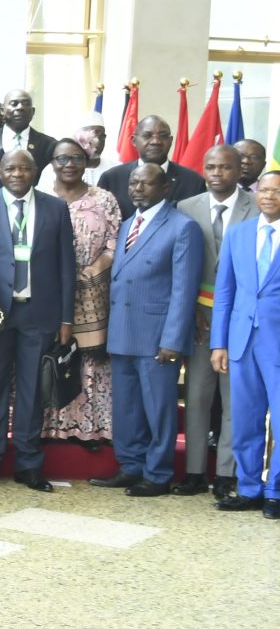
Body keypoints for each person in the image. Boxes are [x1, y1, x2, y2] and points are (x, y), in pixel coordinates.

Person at [87, 163, 201, 497]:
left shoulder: (183, 227)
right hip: (123, 334)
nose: (137, 188)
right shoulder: (126, 225)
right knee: (127, 408)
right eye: (134, 183)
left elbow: (184, 289)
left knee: (159, 410)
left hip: (157, 338)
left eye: (146, 184)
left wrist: (173, 339)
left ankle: (158, 473)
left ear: (165, 188)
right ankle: (130, 466)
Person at [0, 152, 76, 490]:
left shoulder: (55, 208)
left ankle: (29, 464)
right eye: (10, 168)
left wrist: (65, 318)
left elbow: (66, 266)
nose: (17, 173)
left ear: (36, 171)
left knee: (32, 391)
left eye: (25, 167)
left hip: (38, 314)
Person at [175, 145, 251, 492]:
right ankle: (193, 472)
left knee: (233, 398)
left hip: (240, 318)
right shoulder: (186, 207)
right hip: (200, 317)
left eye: (225, 167)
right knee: (197, 395)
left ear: (238, 170)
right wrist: (191, 310)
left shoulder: (257, 207)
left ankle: (225, 474)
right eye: (211, 166)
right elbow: (181, 268)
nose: (217, 173)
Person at [41, 139, 122, 451]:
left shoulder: (104, 199)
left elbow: (116, 242)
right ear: (52, 163)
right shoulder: (41, 197)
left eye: (76, 158)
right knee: (53, 356)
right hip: (49, 293)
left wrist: (90, 273)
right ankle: (52, 428)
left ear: (87, 162)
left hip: (92, 291)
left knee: (90, 361)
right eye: (62, 158)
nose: (69, 164)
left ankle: (89, 429)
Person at [212, 171, 280, 515]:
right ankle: (249, 488)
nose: (269, 196)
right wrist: (218, 343)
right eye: (263, 190)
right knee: (245, 419)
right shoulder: (237, 234)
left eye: (276, 191)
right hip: (240, 342)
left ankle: (275, 493)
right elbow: (224, 292)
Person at [97, 114, 204, 218]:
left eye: (162, 136)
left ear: (171, 141)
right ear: (134, 141)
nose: (155, 141)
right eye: (147, 136)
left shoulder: (193, 181)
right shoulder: (111, 178)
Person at [0, 90, 56, 172]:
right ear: (2, 110)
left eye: (26, 104)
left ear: (33, 111)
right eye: (14, 104)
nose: (20, 107)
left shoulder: (49, 144)